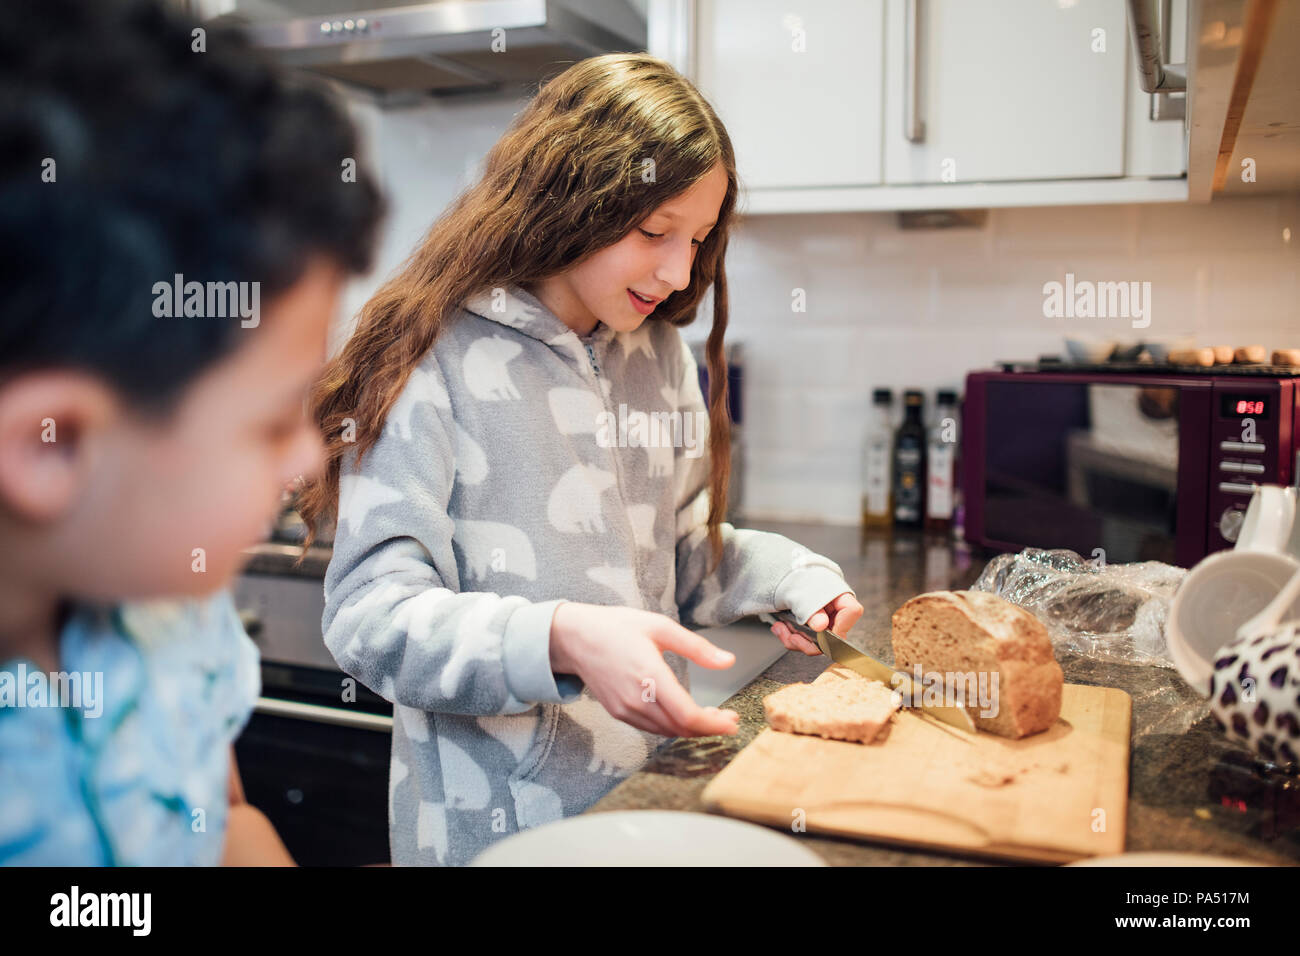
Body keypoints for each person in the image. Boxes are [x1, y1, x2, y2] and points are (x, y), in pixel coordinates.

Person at [298, 52, 862, 866]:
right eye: (653, 232)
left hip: (636, 809)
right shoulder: (429, 353)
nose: (676, 274)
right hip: (485, 832)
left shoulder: (657, 354)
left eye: (697, 239)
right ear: (572, 198)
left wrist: (791, 576)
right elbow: (370, 619)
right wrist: (560, 638)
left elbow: (682, 557)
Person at [0, 0, 383, 864]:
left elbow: (227, 824)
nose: (308, 458)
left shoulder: (177, 609)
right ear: (51, 443)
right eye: (272, 421)